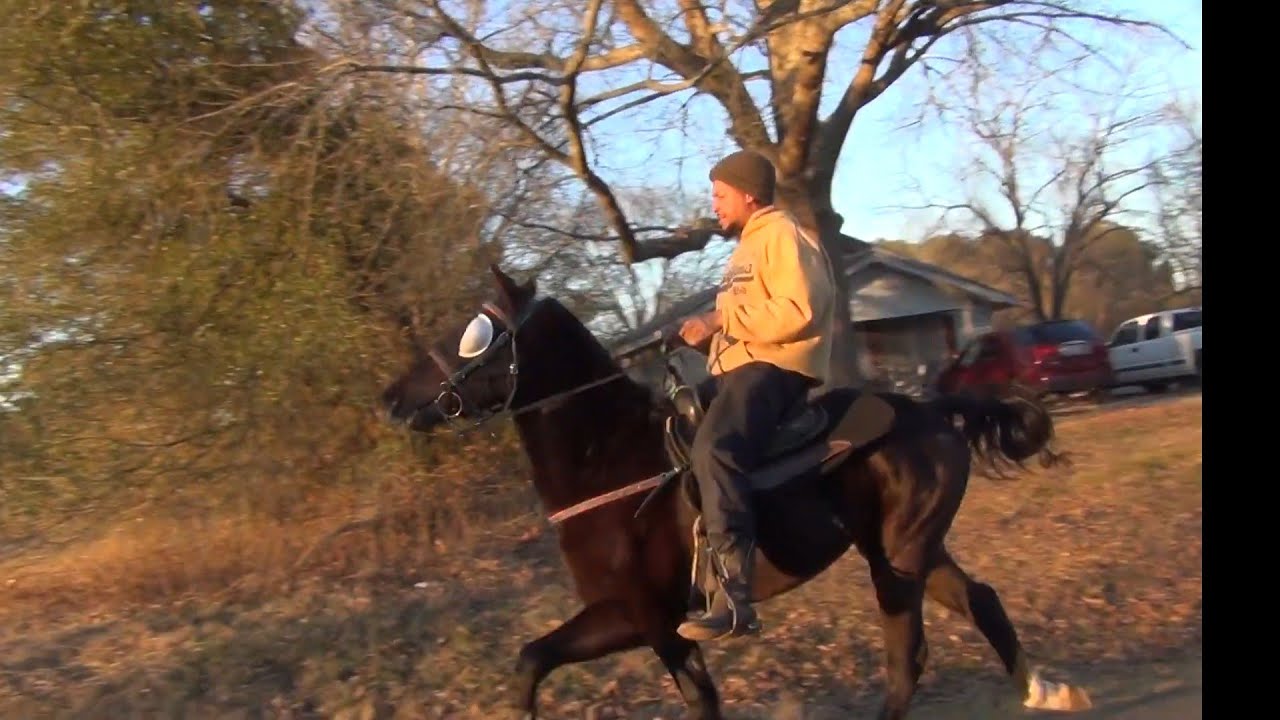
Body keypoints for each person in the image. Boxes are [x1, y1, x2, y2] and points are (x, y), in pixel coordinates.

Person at [674, 149, 840, 642]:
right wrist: (706, 336)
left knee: (715, 450)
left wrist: (722, 319)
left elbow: (800, 309)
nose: (715, 203)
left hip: (778, 365)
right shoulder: (747, 246)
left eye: (721, 194)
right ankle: (689, 571)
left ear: (749, 193)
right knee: (672, 427)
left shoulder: (783, 236)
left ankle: (734, 597)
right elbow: (745, 317)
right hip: (740, 366)